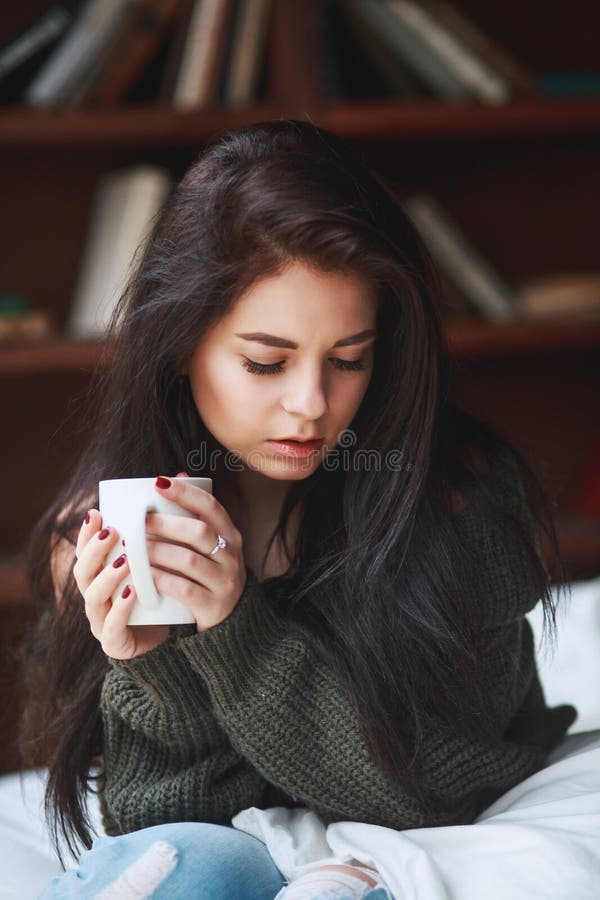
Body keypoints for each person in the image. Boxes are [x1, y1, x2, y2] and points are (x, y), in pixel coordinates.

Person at [20, 118, 577, 899]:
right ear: (180, 345)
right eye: (265, 361)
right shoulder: (122, 527)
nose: (310, 406)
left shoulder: (462, 502)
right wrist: (151, 670)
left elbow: (438, 797)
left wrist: (236, 635)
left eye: (349, 360)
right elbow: (163, 821)